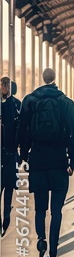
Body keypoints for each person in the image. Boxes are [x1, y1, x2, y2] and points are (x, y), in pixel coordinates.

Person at [17, 68, 74, 257]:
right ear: (54, 79)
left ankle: (41, 240)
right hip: (59, 162)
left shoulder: (30, 101)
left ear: (42, 78)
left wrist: (24, 156)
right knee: (56, 210)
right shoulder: (66, 102)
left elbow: (22, 130)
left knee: (40, 208)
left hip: (38, 161)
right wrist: (73, 161)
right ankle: (54, 244)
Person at [1, 77, 22, 237]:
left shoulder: (11, 104)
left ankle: (6, 213)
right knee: (8, 187)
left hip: (7, 152)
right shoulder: (17, 104)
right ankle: (6, 213)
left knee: (7, 186)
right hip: (11, 153)